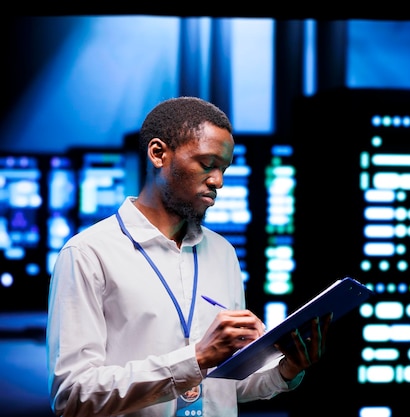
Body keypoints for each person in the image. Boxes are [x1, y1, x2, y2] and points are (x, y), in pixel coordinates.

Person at [46, 96, 332, 417]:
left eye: (223, 169)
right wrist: (194, 360)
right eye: (207, 164)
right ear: (158, 154)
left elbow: (227, 385)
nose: (218, 181)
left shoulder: (223, 253)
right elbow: (72, 396)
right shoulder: (88, 253)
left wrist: (287, 369)